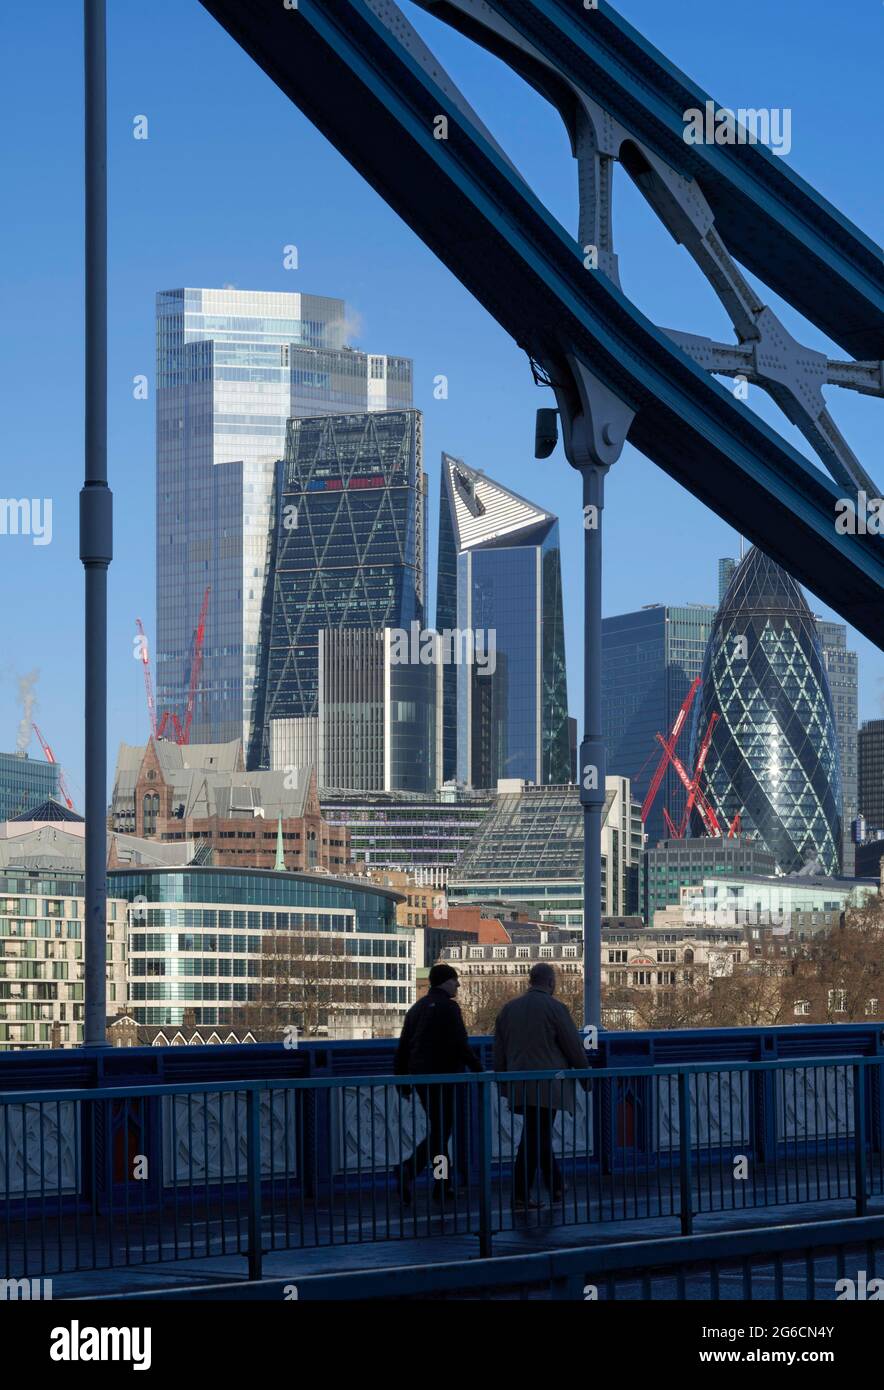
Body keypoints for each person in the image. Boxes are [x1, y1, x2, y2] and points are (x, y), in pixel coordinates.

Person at [493, 962, 590, 1210]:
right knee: (535, 1137)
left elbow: (499, 1050)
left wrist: (503, 1084)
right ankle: (521, 1193)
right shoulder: (555, 1008)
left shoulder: (508, 1009)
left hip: (519, 1084)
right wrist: (586, 1078)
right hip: (549, 1086)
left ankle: (555, 1185)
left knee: (537, 1134)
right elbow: (573, 1046)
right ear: (550, 982)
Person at [393, 963, 482, 1204]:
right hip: (444, 1077)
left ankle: (442, 1184)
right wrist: (479, 1070)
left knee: (440, 1131)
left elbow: (403, 1048)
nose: (458, 985)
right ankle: (411, 1169)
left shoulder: (416, 1008)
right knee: (441, 1132)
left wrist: (402, 1082)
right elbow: (461, 1044)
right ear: (445, 982)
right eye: (454, 980)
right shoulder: (449, 1008)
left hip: (421, 1078)